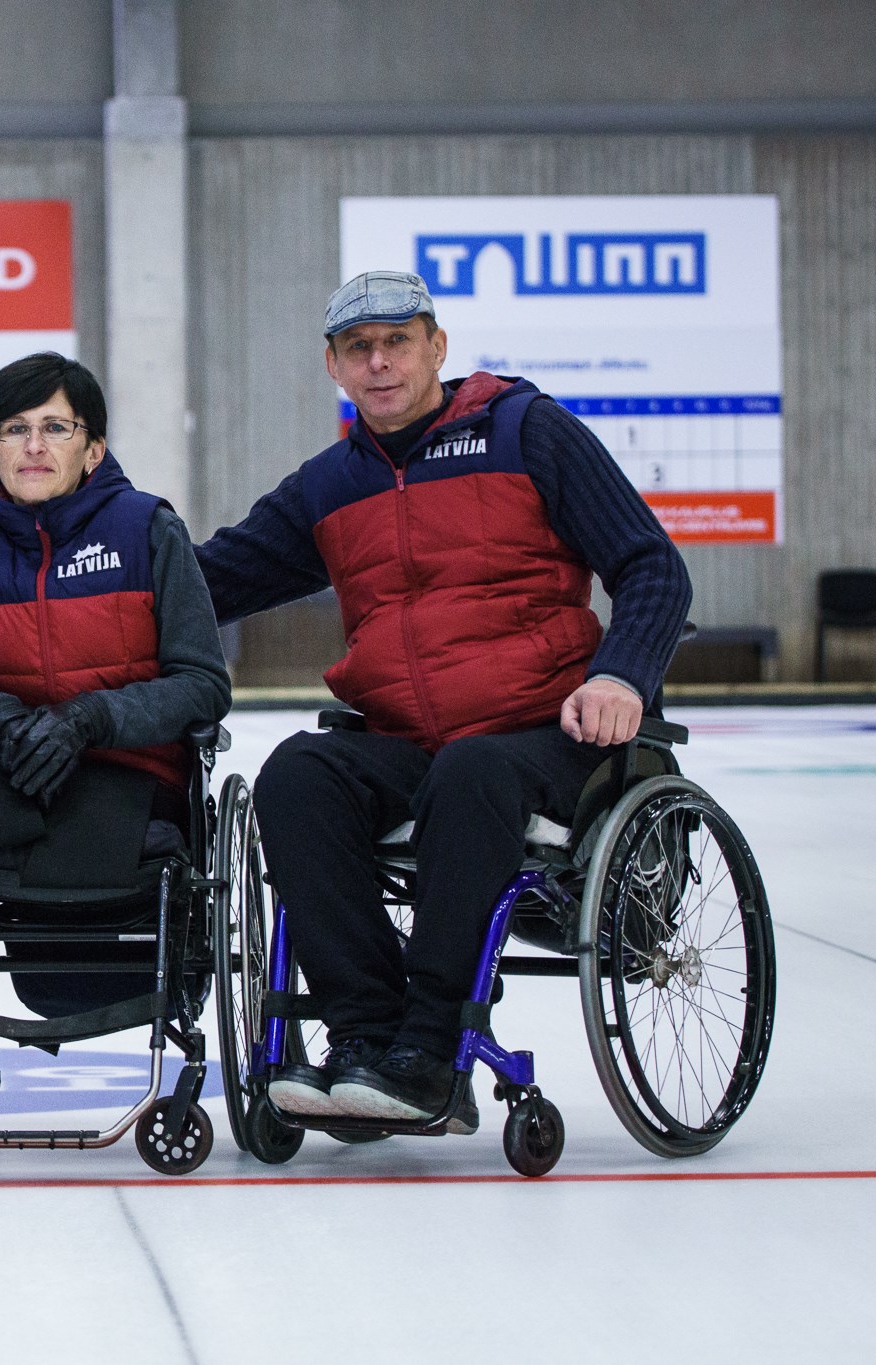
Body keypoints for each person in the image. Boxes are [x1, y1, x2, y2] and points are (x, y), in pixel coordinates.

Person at [196, 270, 691, 1132]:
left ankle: (430, 1053)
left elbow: (653, 565)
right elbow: (207, 580)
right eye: (359, 348)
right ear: (333, 366)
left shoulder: (528, 432)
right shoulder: (329, 485)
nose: (379, 362)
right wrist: (97, 545)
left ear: (437, 347)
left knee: (472, 769)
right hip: (410, 740)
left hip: (548, 730)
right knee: (298, 774)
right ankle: (364, 1037)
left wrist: (621, 675)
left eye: (398, 341)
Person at [0, 354, 229, 1013]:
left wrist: (91, 718)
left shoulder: (147, 528)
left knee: (91, 855)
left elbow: (201, 682)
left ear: (94, 450)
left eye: (56, 427)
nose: (33, 445)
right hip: (3, 775)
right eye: (13, 429)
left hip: (132, 777)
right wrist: (0, 722)